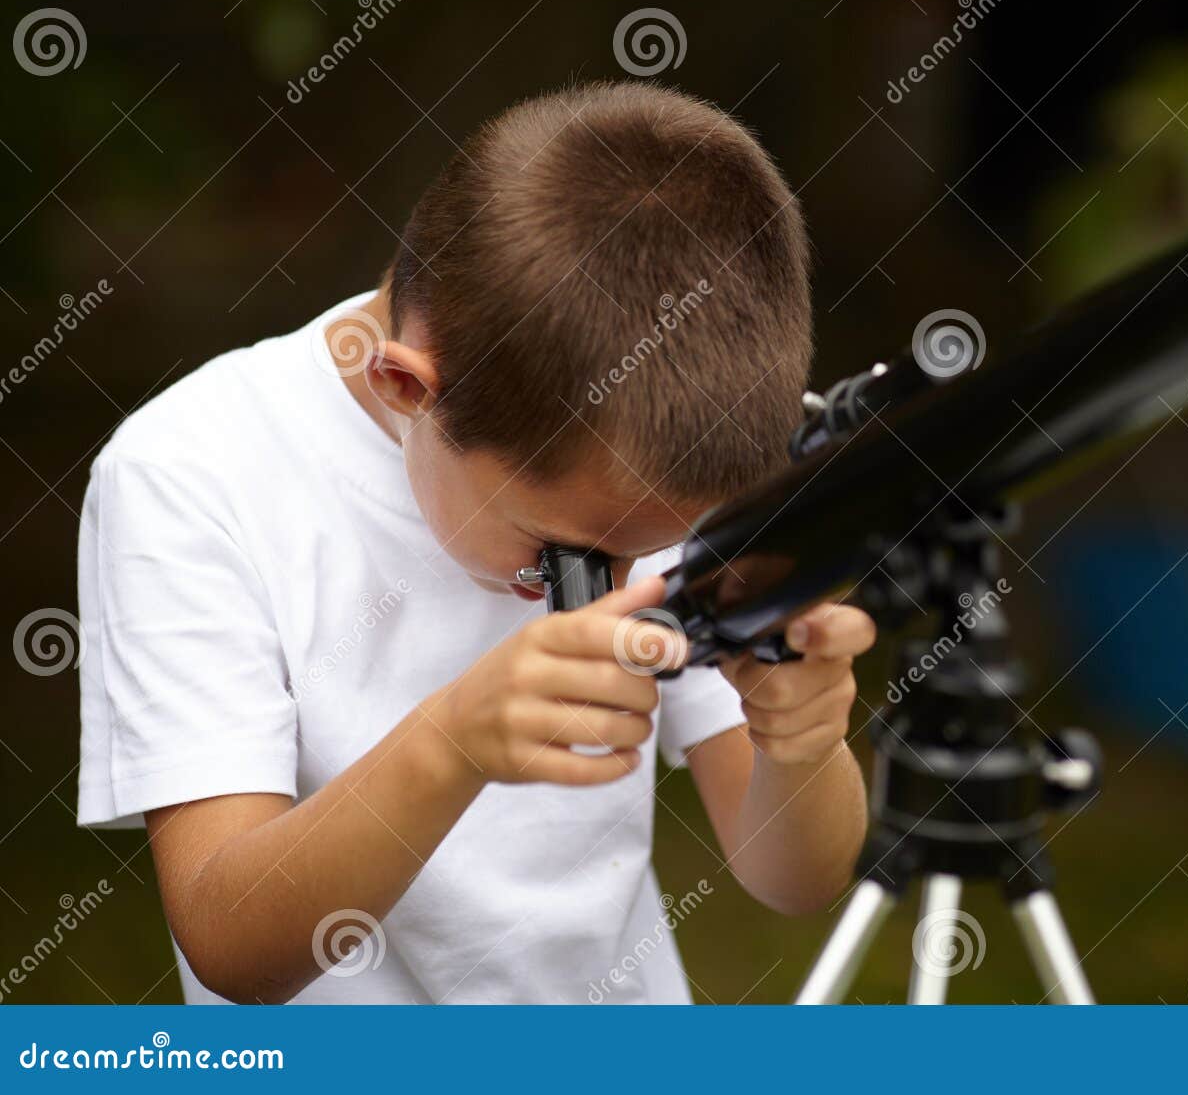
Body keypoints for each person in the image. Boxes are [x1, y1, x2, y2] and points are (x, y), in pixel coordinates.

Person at [76, 81, 874, 1004]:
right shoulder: (189, 473)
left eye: (652, 550)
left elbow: (794, 880)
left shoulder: (650, 453)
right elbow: (229, 939)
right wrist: (452, 743)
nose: (621, 586)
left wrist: (804, 743)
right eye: (568, 554)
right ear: (410, 388)